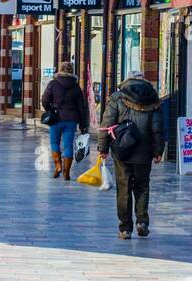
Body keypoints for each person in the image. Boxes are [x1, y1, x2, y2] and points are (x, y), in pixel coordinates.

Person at [95, 71, 165, 239]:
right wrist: (158, 151)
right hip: (144, 150)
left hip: (122, 150)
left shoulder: (118, 97)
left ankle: (125, 228)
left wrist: (102, 148)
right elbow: (157, 128)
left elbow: (107, 123)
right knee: (142, 186)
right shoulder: (153, 98)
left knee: (124, 187)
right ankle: (142, 221)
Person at [41, 62, 89, 180]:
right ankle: (66, 172)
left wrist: (50, 110)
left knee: (54, 142)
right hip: (71, 120)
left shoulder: (53, 84)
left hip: (56, 118)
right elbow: (82, 107)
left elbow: (45, 100)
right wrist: (84, 125)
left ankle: (58, 166)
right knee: (68, 145)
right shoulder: (76, 87)